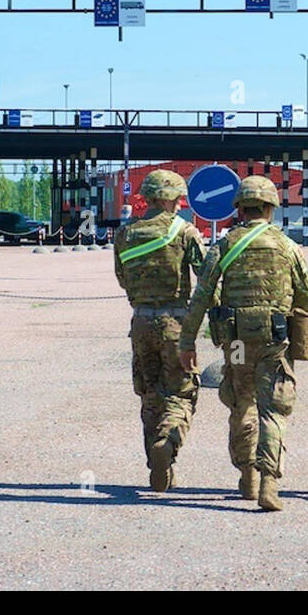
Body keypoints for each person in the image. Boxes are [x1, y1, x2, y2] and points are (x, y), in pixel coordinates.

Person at [179, 176, 308, 511]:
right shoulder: (287, 246)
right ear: (270, 208)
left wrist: (187, 341)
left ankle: (247, 474)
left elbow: (202, 296)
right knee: (274, 408)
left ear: (239, 207)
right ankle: (270, 480)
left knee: (242, 402)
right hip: (273, 339)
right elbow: (307, 292)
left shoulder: (224, 246)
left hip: (237, 340)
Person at [112, 169, 205, 492]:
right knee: (180, 393)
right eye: (179, 199)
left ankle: (157, 464)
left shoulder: (124, 234)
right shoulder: (185, 232)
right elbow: (205, 279)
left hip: (140, 323)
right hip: (175, 323)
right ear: (172, 199)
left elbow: (122, 278)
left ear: (148, 198)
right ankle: (168, 441)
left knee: (150, 394)